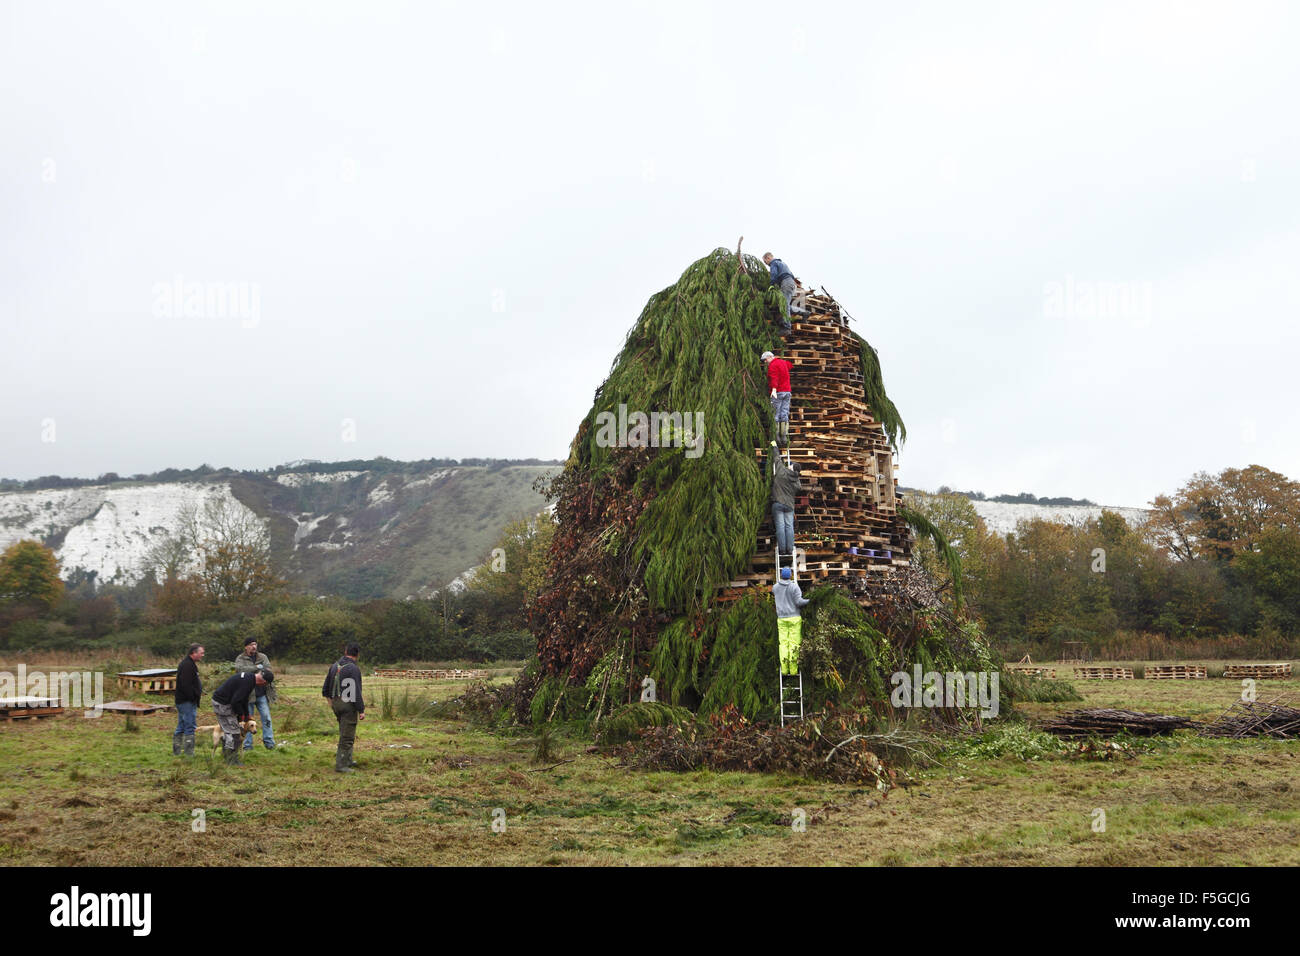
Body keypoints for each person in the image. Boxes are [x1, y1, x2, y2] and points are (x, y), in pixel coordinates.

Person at [211, 668, 274, 765]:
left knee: (231, 731)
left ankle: (226, 753)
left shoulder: (250, 679)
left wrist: (247, 715)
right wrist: (241, 716)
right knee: (234, 732)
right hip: (222, 704)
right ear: (264, 682)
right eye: (266, 684)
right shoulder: (247, 683)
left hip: (225, 702)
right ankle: (231, 760)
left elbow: (244, 700)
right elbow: (236, 701)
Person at [322, 643, 365, 773]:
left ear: (346, 652)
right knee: (347, 735)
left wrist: (331, 701)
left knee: (344, 731)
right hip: (347, 704)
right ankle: (341, 765)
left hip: (335, 703)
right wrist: (361, 709)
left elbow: (325, 688)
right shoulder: (353, 668)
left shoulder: (334, 666)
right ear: (357, 654)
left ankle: (348, 760)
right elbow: (356, 691)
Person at [234, 637, 276, 750]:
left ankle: (269, 743)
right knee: (248, 721)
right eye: (251, 644)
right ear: (246, 646)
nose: (254, 646)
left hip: (262, 693)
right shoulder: (240, 658)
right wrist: (257, 668)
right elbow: (239, 671)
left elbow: (268, 670)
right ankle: (247, 745)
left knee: (267, 718)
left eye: (255, 644)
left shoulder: (263, 657)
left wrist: (253, 670)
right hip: (247, 696)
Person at [773, 566, 810, 677]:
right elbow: (799, 602)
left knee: (783, 644)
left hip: (781, 619)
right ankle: (793, 670)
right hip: (794, 618)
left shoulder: (775, 587)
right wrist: (810, 600)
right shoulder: (794, 587)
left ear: (781, 575)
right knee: (794, 644)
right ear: (790, 575)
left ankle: (784, 670)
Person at [769, 441, 801, 557]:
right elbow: (798, 486)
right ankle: (789, 549)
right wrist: (796, 476)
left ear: (791, 468)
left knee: (780, 527)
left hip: (778, 503)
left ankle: (782, 550)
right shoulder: (796, 481)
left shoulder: (781, 471)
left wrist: (774, 446)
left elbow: (777, 459)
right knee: (789, 527)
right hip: (789, 506)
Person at [173, 643, 204, 757]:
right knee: (189, 726)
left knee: (181, 726)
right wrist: (193, 697)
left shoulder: (189, 664)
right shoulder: (187, 665)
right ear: (193, 653)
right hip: (186, 702)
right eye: (201, 653)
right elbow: (186, 685)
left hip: (183, 701)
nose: (202, 655)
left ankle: (176, 752)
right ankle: (189, 753)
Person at [763, 252, 807, 331]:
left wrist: (772, 285)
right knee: (785, 304)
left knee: (784, 305)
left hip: (786, 283)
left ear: (768, 258)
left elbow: (774, 274)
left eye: (765, 262)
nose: (766, 264)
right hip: (791, 283)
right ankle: (804, 312)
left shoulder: (774, 263)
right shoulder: (781, 263)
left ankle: (787, 328)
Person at [761, 350, 793, 446]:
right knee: (784, 413)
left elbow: (774, 378)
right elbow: (790, 365)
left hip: (778, 392)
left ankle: (776, 436)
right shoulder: (783, 362)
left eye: (766, 360)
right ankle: (784, 435)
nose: (765, 362)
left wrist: (774, 389)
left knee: (775, 413)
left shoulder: (772, 366)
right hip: (787, 392)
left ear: (770, 357)